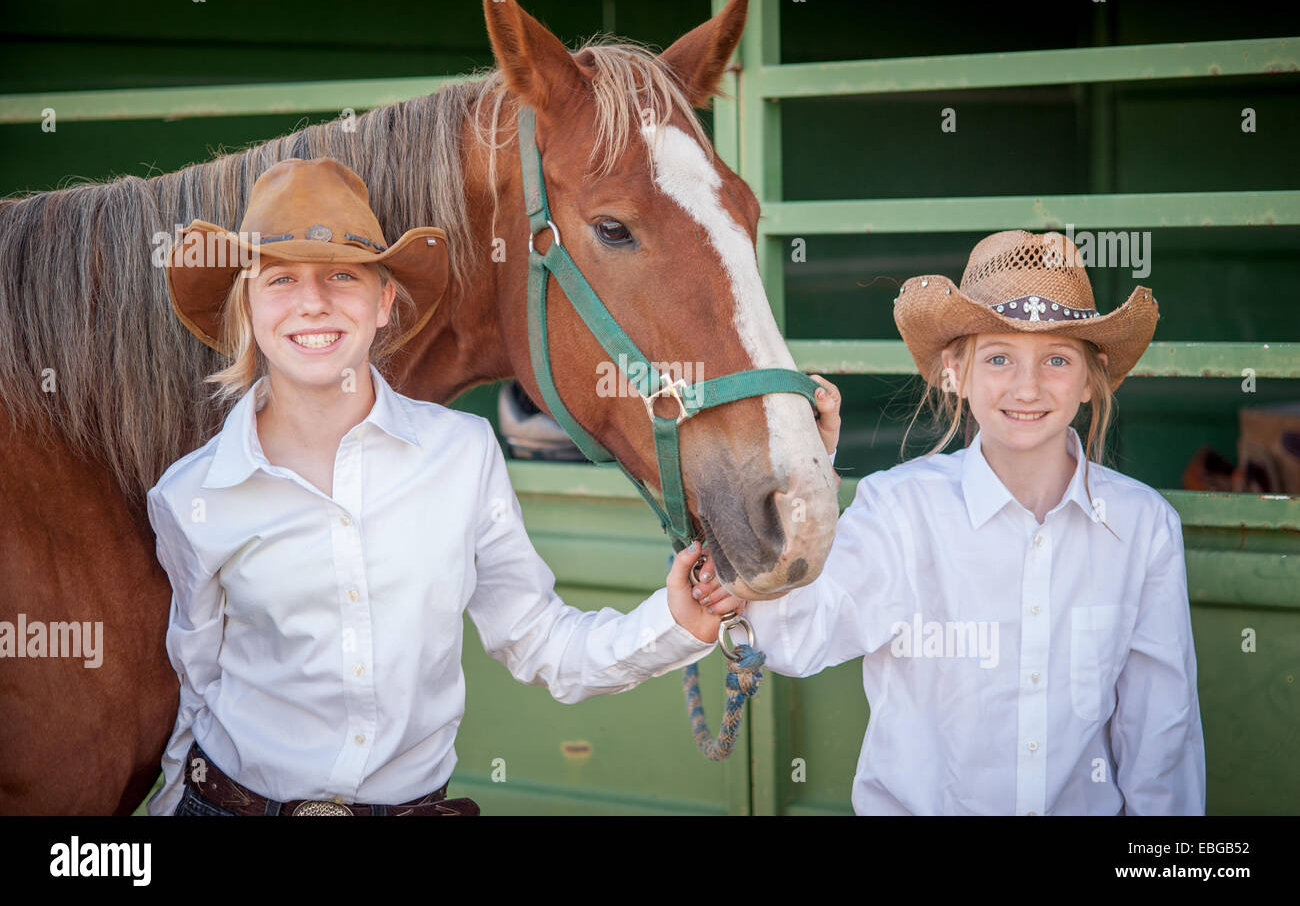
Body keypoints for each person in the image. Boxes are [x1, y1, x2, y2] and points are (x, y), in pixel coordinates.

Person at [145, 157, 721, 816]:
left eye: (342, 274)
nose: (313, 301)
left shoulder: (462, 455)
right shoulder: (193, 495)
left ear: (385, 300)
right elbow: (197, 682)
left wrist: (676, 622)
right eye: (280, 278)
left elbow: (537, 638)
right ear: (247, 303)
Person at [692, 230, 1206, 815]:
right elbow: (797, 637)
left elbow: (1161, 740)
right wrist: (789, 505)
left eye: (1057, 359)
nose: (1027, 387)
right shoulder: (899, 512)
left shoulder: (1143, 529)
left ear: (1092, 379)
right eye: (998, 358)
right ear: (955, 372)